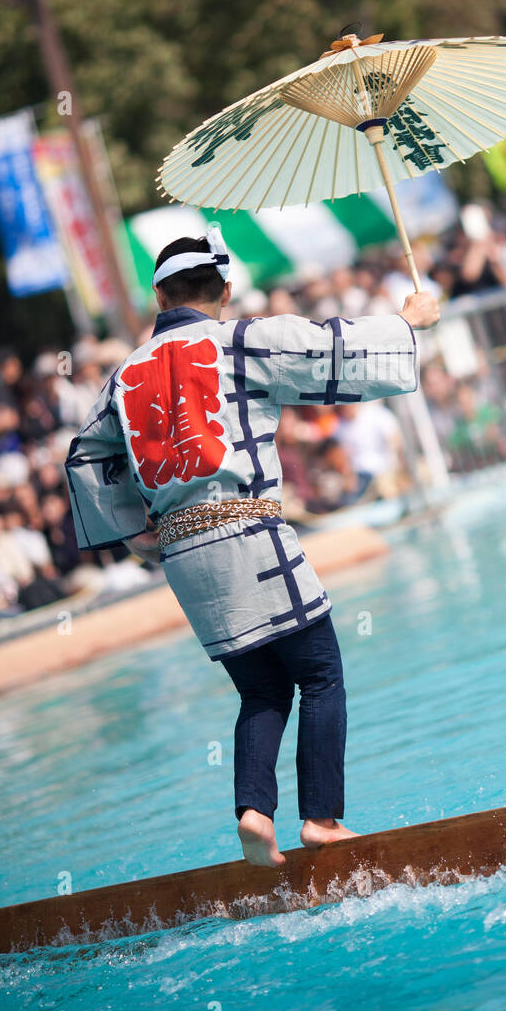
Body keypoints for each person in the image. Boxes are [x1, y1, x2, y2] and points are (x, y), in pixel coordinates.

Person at [65, 227, 439, 867]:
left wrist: (135, 532)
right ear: (226, 289)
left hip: (184, 560)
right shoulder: (238, 341)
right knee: (321, 673)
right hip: (251, 535)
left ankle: (254, 813)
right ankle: (320, 819)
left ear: (159, 295)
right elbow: (328, 347)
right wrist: (407, 325)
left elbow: (83, 454)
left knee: (262, 691)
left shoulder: (125, 375)